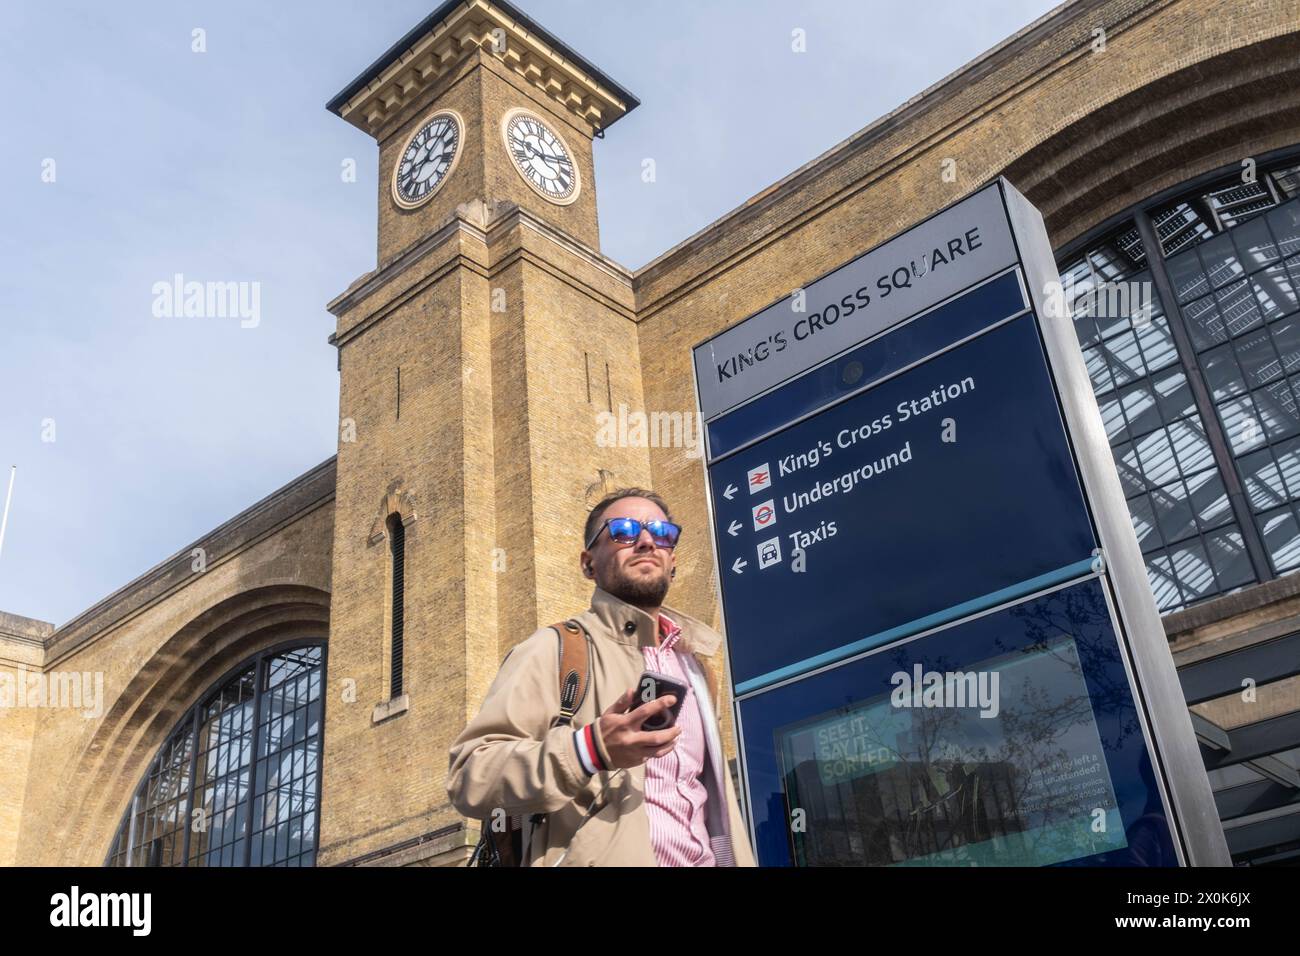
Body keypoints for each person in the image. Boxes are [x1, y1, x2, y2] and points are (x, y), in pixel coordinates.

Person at [447, 488, 757, 866]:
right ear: (588, 563)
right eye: (623, 531)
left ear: (672, 559)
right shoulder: (555, 648)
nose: (645, 541)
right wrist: (589, 750)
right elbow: (471, 777)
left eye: (661, 533)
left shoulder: (697, 668)